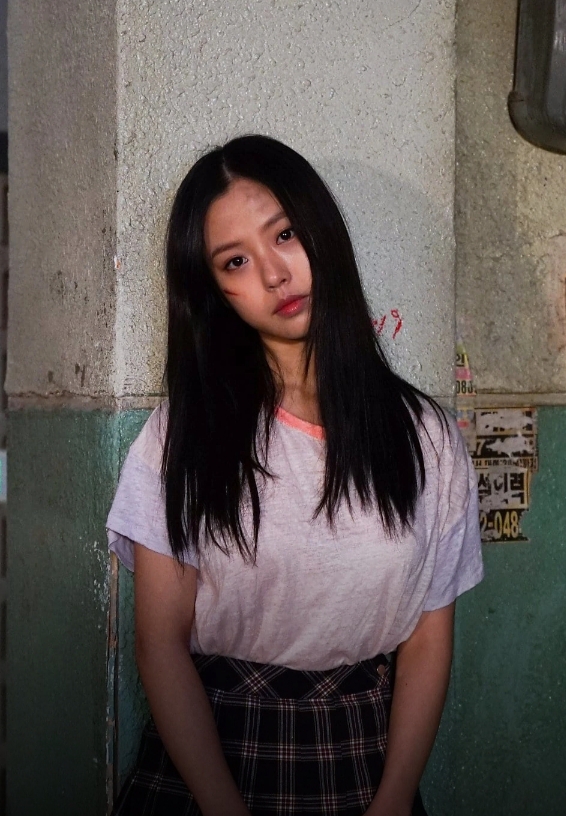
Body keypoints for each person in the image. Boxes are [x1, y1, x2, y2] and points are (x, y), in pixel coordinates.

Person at [106, 134, 483, 816]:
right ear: (214, 291)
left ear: (320, 229)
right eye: (236, 261)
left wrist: (394, 799)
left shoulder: (425, 437)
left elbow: (429, 638)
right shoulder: (181, 435)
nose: (275, 274)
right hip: (210, 762)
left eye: (284, 234)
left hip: (364, 761)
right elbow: (158, 645)